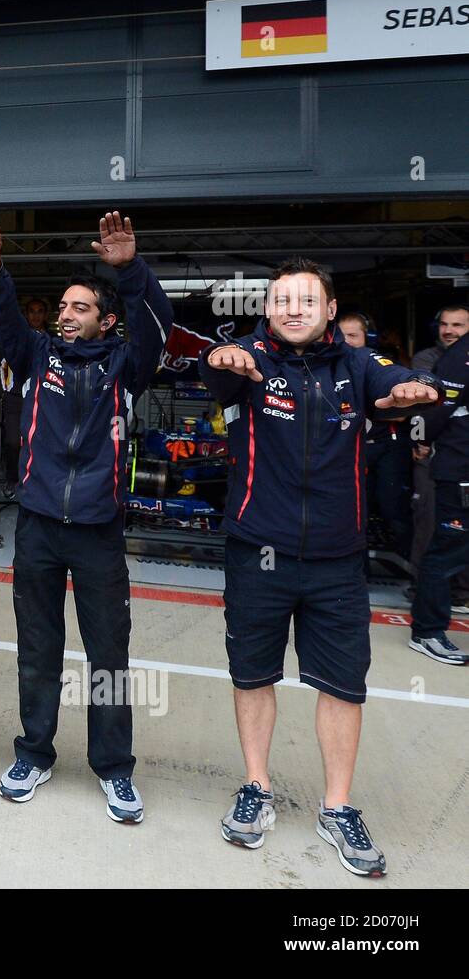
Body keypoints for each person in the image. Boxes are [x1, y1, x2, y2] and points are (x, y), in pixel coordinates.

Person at [199, 256, 439, 877]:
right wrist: (221, 362)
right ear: (268, 309)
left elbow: (398, 381)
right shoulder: (249, 356)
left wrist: (412, 391)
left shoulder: (357, 364)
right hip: (257, 552)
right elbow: (220, 375)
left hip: (337, 560)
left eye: (307, 300)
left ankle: (338, 807)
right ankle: (256, 788)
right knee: (252, 676)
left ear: (330, 310)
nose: (293, 309)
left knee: (342, 686)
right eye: (282, 300)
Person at [0, 211, 172, 822]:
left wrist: (130, 270)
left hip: (97, 533)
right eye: (63, 305)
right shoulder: (37, 356)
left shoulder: (126, 367)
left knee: (108, 652)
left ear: (105, 320)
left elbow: (157, 333)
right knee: (38, 648)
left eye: (79, 307)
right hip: (36, 527)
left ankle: (114, 769)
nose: (65, 313)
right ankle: (34, 753)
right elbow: (3, 317)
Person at [408, 326, 469, 665]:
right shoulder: (462, 355)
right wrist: (421, 441)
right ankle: (427, 632)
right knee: (447, 551)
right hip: (460, 471)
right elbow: (435, 407)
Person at [339, 311, 414, 558]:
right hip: (352, 449)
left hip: (388, 446)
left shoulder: (381, 365)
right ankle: (360, 572)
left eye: (353, 335)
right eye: (341, 335)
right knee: (352, 512)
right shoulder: (329, 369)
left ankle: (412, 568)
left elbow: (402, 414)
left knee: (393, 507)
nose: (346, 341)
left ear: (368, 338)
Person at [0, 296, 50, 498]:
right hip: (15, 397)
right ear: (25, 314)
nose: (35, 315)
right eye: (31, 311)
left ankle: (36, 482)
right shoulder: (15, 336)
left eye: (39, 311)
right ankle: (12, 479)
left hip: (42, 398)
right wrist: (3, 392)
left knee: (39, 441)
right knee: (12, 441)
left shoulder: (53, 340)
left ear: (45, 315)